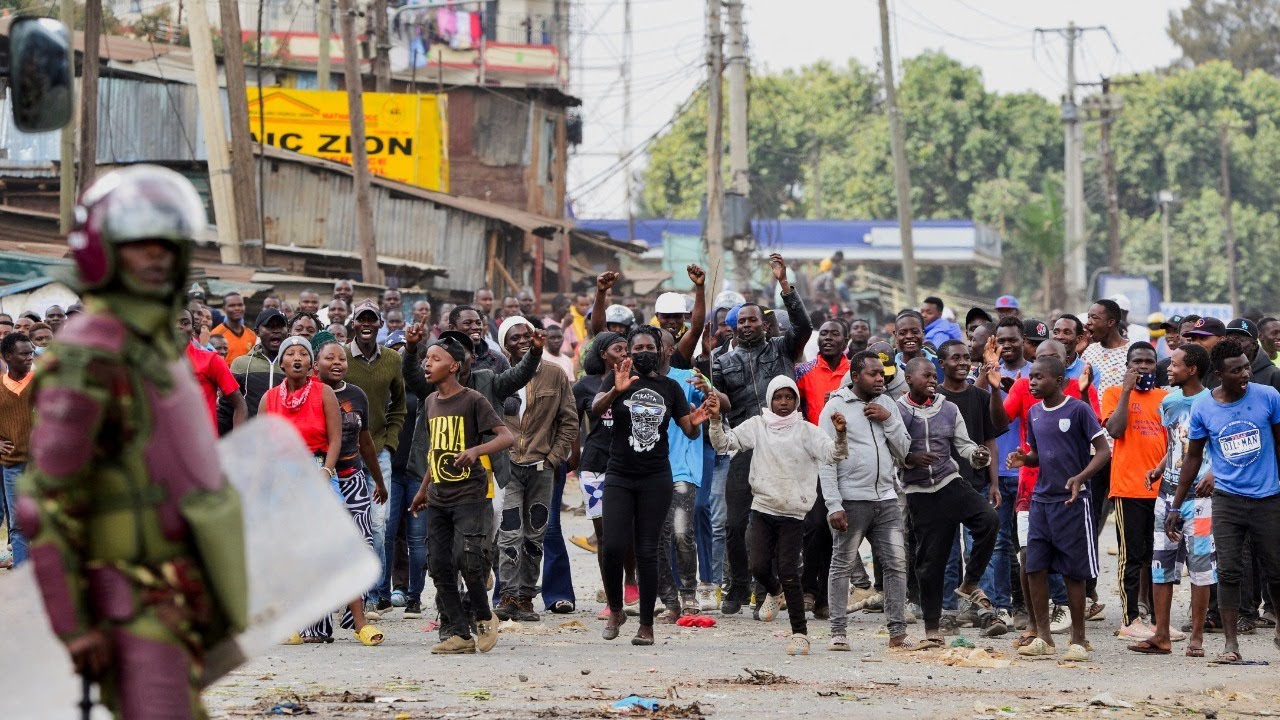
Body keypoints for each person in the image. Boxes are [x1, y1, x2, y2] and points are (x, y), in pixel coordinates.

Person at [19, 166, 248, 717]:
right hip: (130, 605)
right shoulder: (90, 355)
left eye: (166, 245)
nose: (157, 258)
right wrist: (74, 628)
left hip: (176, 596)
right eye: (138, 245)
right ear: (103, 252)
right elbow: (44, 505)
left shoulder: (146, 347)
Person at [708, 377, 848, 655]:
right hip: (763, 507)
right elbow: (724, 444)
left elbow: (834, 455)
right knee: (758, 567)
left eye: (789, 397)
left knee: (788, 571)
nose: (783, 403)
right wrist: (714, 420)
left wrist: (841, 434)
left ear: (796, 400)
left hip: (795, 513)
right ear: (769, 400)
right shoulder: (758, 426)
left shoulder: (807, 430)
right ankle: (774, 592)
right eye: (778, 398)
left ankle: (800, 634)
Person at [263, 335, 386, 646]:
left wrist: (326, 470)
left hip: (320, 469)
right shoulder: (269, 399)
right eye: (290, 353)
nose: (297, 358)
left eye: (303, 353)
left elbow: (336, 439)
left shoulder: (323, 393)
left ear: (310, 363)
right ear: (281, 361)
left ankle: (359, 623)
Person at [593, 326, 710, 645]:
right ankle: (616, 609)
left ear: (661, 351)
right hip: (618, 474)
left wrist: (697, 423)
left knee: (648, 551)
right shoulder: (617, 377)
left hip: (656, 477)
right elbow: (594, 410)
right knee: (614, 545)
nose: (644, 351)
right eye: (638, 347)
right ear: (629, 351)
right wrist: (617, 390)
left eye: (650, 346)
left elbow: (689, 431)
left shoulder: (672, 387)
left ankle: (646, 625)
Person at [712, 253, 812, 615]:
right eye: (741, 321)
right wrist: (712, 394)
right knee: (734, 522)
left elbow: (803, 325)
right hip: (745, 447)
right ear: (734, 327)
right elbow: (722, 404)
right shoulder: (722, 362)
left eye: (754, 319)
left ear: (766, 325)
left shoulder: (782, 348)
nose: (747, 325)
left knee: (775, 521)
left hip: (784, 446)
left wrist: (784, 285)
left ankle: (767, 590)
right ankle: (737, 587)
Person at [1174, 339, 1280, 663]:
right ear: (1219, 373)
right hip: (1227, 501)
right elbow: (1192, 459)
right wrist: (1177, 504)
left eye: (1246, 367)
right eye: (1236, 370)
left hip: (1268, 498)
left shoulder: (1269, 397)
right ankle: (1230, 645)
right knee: (1230, 572)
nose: (1245, 374)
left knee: (1276, 571)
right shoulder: (1204, 407)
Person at [408, 333, 515, 654]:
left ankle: (483, 617)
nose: (427, 364)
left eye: (435, 359)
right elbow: (435, 452)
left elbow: (506, 437)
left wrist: (476, 450)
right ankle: (458, 633)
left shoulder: (472, 400)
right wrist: (423, 490)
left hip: (471, 495)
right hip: (439, 497)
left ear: (454, 366)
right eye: (426, 359)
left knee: (468, 559)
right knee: (439, 564)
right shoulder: (429, 402)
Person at [1008, 356, 1111, 661]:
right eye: (1032, 377)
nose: (1033, 382)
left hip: (1072, 503)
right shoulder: (1034, 413)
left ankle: (1078, 640)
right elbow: (1038, 454)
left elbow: (1103, 451)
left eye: (1040, 377)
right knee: (1034, 565)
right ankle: (1044, 636)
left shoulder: (1078, 410)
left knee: (1073, 571)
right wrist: (1024, 459)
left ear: (1060, 381)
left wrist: (1080, 478)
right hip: (1041, 501)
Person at [896, 357, 1002, 646]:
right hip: (919, 493)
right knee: (931, 563)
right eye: (926, 376)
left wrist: (978, 455)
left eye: (934, 376)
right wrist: (910, 460)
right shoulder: (896, 411)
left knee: (989, 520)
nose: (932, 380)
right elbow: (892, 449)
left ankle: (970, 583)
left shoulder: (948, 408)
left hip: (949, 483)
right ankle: (932, 629)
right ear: (908, 379)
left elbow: (964, 444)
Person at [820, 351, 911, 648]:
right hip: (851, 500)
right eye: (873, 374)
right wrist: (833, 504)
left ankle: (897, 633)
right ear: (856, 376)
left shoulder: (887, 405)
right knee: (842, 565)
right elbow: (826, 460)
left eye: (883, 374)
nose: (880, 379)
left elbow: (904, 450)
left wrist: (889, 421)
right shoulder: (835, 407)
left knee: (896, 564)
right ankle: (838, 632)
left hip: (886, 498)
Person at [1127, 343, 1213, 656]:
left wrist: (1213, 473)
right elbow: (1176, 445)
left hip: (1201, 498)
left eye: (1175, 364)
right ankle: (1161, 635)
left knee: (1200, 566)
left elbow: (1216, 446)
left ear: (1192, 370)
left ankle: (1197, 638)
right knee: (1162, 563)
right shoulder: (1170, 401)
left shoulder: (1212, 402)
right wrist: (1159, 468)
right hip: (1167, 493)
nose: (1168, 369)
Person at [493, 317, 577, 621]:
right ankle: (509, 597)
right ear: (505, 346)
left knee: (535, 535)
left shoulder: (555, 374)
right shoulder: (498, 377)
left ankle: (527, 597)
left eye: (526, 335)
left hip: (542, 467)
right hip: (509, 467)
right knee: (510, 534)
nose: (522, 341)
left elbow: (569, 421)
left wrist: (555, 457)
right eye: (514, 338)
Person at [935, 339, 1009, 631]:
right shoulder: (936, 398)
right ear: (942, 364)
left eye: (966, 357)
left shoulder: (979, 396)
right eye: (955, 358)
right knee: (947, 551)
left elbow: (989, 439)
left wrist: (994, 482)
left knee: (980, 549)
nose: (963, 362)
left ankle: (984, 610)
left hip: (976, 484)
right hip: (942, 487)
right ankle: (947, 612)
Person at [345, 300, 407, 619]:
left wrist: (392, 442)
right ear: (353, 324)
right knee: (348, 524)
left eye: (372, 319)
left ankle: (371, 595)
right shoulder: (340, 356)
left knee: (379, 525)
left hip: (379, 450)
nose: (367, 324)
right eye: (361, 319)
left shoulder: (393, 359)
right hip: (345, 452)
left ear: (380, 324)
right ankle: (349, 594)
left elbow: (400, 405)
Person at [1101, 342, 1168, 639]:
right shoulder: (1114, 394)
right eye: (1137, 361)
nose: (1143, 366)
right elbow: (1115, 430)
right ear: (1128, 366)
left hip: (1162, 490)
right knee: (1131, 557)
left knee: (1157, 557)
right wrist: (1127, 390)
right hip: (1128, 488)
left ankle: (1158, 621)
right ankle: (1129, 620)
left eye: (1149, 362)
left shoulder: (1165, 398)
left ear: (1156, 365)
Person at [570, 332, 639, 608]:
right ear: (603, 354)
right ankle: (612, 594)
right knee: (604, 535)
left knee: (629, 529)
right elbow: (572, 422)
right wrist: (574, 454)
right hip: (595, 465)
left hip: (628, 462)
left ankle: (631, 580)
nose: (624, 353)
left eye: (627, 349)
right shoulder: (585, 385)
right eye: (618, 349)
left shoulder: (636, 381)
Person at [795, 320, 852, 618]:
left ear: (846, 340)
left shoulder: (854, 371)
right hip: (814, 458)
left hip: (848, 458)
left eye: (835, 335)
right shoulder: (804, 372)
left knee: (837, 528)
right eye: (824, 334)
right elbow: (792, 407)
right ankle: (808, 588)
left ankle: (826, 596)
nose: (828, 339)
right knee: (815, 524)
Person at [179, 307, 247, 432]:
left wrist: (238, 441)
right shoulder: (154, 363)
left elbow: (239, 404)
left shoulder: (211, 360)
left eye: (185, 323)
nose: (179, 327)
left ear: (193, 328)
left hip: (204, 445)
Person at [221, 308, 288, 433]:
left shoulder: (294, 365)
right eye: (269, 326)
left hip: (285, 442)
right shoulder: (241, 364)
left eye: (281, 326)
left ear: (288, 331)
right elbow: (226, 407)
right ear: (257, 332)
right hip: (251, 441)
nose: (276, 330)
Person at [0, 331, 35, 567]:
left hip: (42, 466)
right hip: (11, 465)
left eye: (31, 352)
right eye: (24, 354)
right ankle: (24, 578)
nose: (30, 357)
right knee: (19, 525)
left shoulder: (41, 381)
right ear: (7, 357)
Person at [451, 304, 509, 374]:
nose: (476, 327)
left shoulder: (497, 359)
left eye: (478, 323)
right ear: (452, 328)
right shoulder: (441, 357)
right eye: (467, 323)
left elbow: (512, 382)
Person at [1228, 318, 1280, 391]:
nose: (1231, 344)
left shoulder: (1274, 375)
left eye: (1239, 340)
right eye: (1228, 340)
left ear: (1254, 345)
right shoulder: (1216, 371)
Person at [211, 291, 256, 364]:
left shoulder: (252, 335)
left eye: (240, 305)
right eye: (232, 305)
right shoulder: (215, 335)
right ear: (224, 309)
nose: (237, 308)